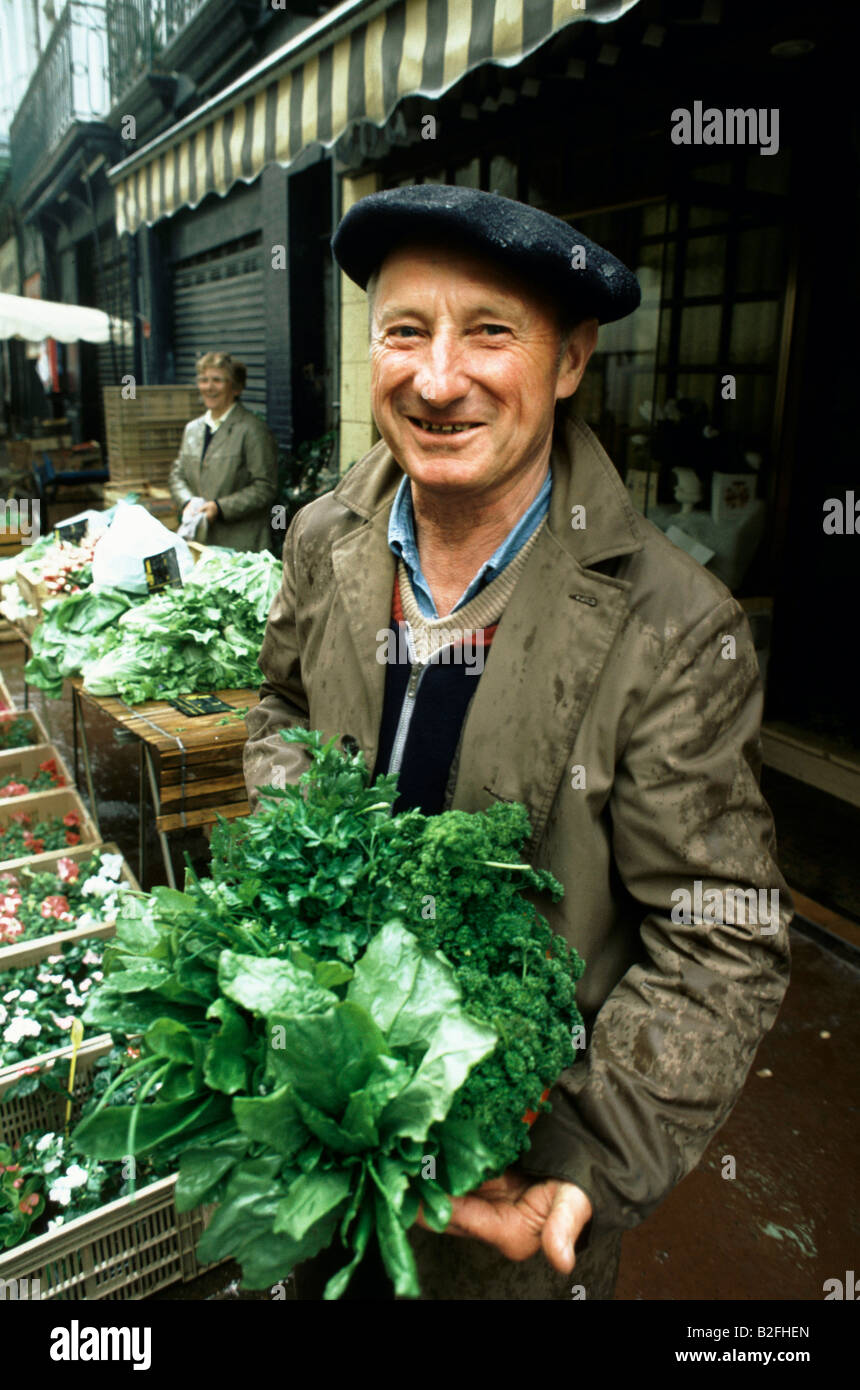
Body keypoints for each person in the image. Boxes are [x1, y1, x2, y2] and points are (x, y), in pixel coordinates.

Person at [242, 185, 792, 1301]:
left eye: (489, 332)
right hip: (318, 1133)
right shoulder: (324, 537)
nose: (436, 380)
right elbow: (281, 709)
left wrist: (590, 1152)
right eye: (404, 332)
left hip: (508, 1194)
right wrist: (300, 825)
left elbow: (717, 935)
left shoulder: (672, 627)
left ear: (571, 360)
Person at [168, 351, 278, 551]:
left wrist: (220, 507)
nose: (208, 387)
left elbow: (265, 487)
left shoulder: (252, 430)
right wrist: (187, 501)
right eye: (203, 380)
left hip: (240, 545)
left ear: (235, 387)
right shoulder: (192, 429)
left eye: (217, 380)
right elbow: (178, 473)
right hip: (199, 541)